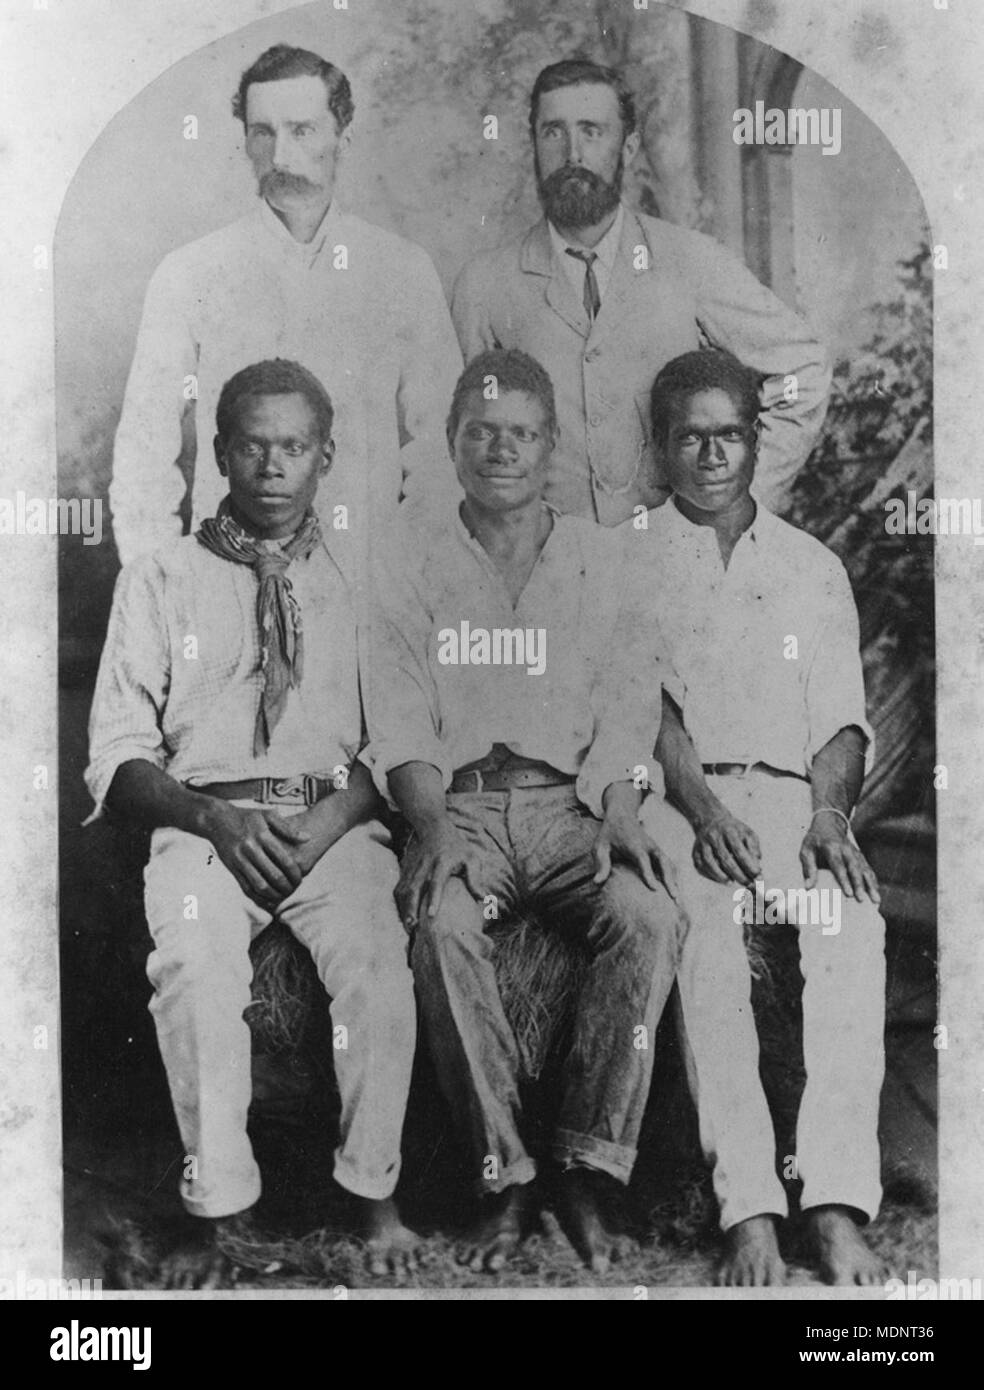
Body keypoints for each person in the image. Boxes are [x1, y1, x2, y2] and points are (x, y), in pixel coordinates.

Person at [87, 359, 419, 1283]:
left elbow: (394, 738)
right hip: (203, 828)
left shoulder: (364, 580)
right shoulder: (159, 578)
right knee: (193, 964)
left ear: (325, 458)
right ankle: (214, 1210)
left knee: (376, 963)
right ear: (219, 453)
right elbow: (116, 756)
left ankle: (373, 1196)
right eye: (254, 446)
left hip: (332, 826)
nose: (274, 466)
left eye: (296, 448)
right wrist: (212, 822)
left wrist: (319, 829)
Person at [367, 348, 685, 1273]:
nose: (501, 450)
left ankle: (585, 1174)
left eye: (521, 434)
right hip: (459, 806)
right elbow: (396, 709)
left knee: (649, 917)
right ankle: (503, 1181)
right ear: (452, 444)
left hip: (570, 808)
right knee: (439, 924)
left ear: (551, 444)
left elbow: (630, 697)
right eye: (481, 432)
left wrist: (623, 806)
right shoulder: (410, 553)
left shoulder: (598, 556)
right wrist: (429, 827)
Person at [631, 347, 887, 1286]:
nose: (710, 455)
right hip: (680, 800)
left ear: (755, 439)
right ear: (662, 448)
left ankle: (832, 1205)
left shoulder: (812, 568)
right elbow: (643, 711)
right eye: (690, 437)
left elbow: (843, 724)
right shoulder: (629, 555)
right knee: (706, 937)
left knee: (849, 927)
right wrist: (700, 810)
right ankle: (748, 1212)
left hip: (790, 803)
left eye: (729, 435)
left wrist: (828, 816)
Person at [111, 43, 461, 565]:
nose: (280, 157)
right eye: (262, 132)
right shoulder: (188, 274)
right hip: (230, 576)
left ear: (344, 137)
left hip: (366, 587)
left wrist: (415, 574)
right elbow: (144, 451)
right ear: (245, 141)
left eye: (302, 130)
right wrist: (164, 585)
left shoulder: (401, 271)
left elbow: (443, 447)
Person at [451, 58, 830, 526]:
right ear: (534, 145)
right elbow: (455, 440)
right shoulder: (485, 283)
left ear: (628, 148)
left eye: (592, 131)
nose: (572, 153)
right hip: (542, 578)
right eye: (553, 132)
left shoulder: (690, 260)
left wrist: (735, 505)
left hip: (669, 573)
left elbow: (803, 370)